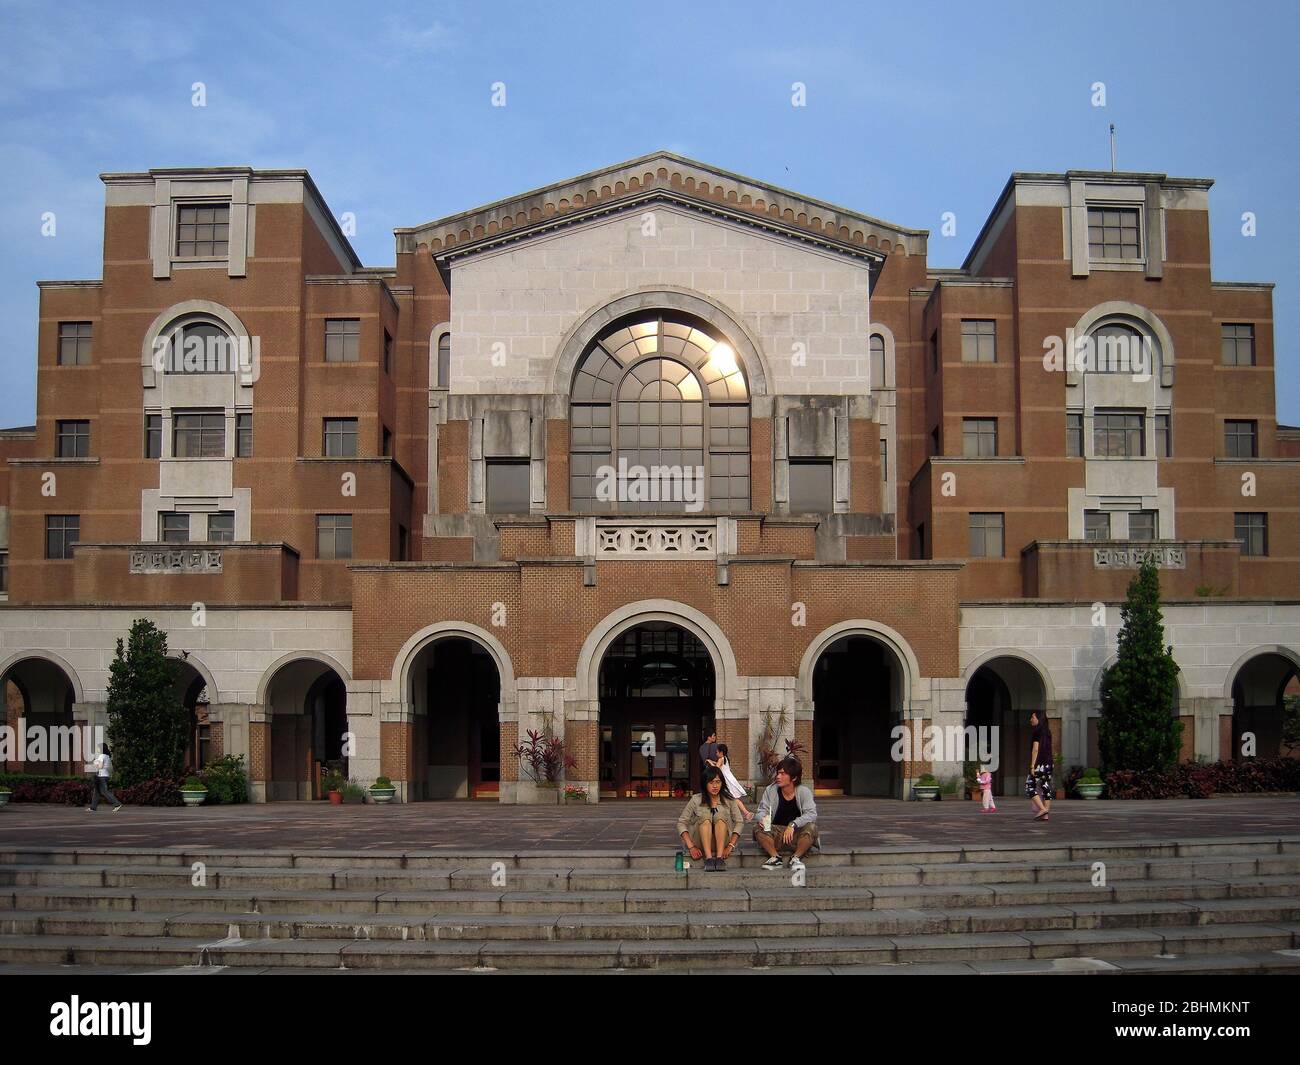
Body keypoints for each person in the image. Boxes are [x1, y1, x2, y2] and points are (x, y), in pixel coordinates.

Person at [752, 756, 819, 871]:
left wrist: (793, 824)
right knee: (757, 827)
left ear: (793, 778)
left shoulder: (804, 792)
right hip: (776, 835)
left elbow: (811, 814)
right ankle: (775, 857)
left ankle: (796, 858)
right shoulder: (770, 790)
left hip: (796, 835)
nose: (778, 777)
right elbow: (761, 811)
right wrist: (763, 819)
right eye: (778, 773)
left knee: (811, 827)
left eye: (783, 774)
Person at [675, 765, 742, 871]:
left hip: (722, 842)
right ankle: (709, 859)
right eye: (711, 783)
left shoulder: (729, 800)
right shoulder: (696, 800)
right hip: (700, 842)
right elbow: (681, 823)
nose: (715, 786)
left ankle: (719, 859)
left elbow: (739, 822)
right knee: (705, 817)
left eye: (718, 782)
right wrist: (691, 846)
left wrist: (730, 846)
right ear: (705, 784)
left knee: (720, 817)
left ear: (722, 783)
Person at [709, 743, 753, 821]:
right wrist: (713, 762)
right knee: (730, 798)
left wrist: (710, 762)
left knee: (731, 798)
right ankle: (744, 813)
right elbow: (720, 765)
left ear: (721, 752)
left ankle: (745, 813)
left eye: (717, 752)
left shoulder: (721, 759)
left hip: (726, 782)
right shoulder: (725, 758)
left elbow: (716, 769)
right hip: (730, 780)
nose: (716, 754)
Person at [1025, 710, 1053, 821]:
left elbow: (1035, 749)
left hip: (1039, 764)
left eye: (1033, 717)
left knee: (1029, 786)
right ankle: (1045, 814)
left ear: (1038, 719)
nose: (1030, 719)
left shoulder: (1037, 731)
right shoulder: (1047, 731)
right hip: (1049, 763)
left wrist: (1032, 765)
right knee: (1045, 786)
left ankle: (1042, 809)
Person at [86, 744, 123, 813]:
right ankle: (93, 807)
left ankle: (117, 804)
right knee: (96, 792)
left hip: (101, 776)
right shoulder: (107, 756)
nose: (97, 749)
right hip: (105, 775)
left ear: (101, 749)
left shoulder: (102, 756)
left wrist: (95, 763)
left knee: (104, 791)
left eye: (98, 748)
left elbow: (100, 766)